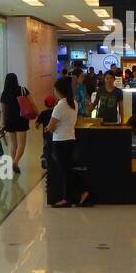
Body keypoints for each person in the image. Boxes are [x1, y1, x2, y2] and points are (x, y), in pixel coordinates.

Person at [47, 75, 91, 208]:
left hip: (60, 141)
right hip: (70, 139)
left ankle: (77, 194)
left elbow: (51, 127)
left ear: (58, 90)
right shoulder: (74, 104)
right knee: (68, 170)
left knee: (66, 171)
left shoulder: (60, 106)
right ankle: (78, 194)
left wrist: (48, 128)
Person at [0, 72, 36, 174]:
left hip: (9, 121)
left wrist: (3, 123)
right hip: (21, 119)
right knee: (21, 144)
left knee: (13, 144)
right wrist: (36, 111)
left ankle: (14, 163)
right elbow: (32, 103)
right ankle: (15, 162)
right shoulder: (22, 90)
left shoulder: (4, 93)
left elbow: (3, 110)